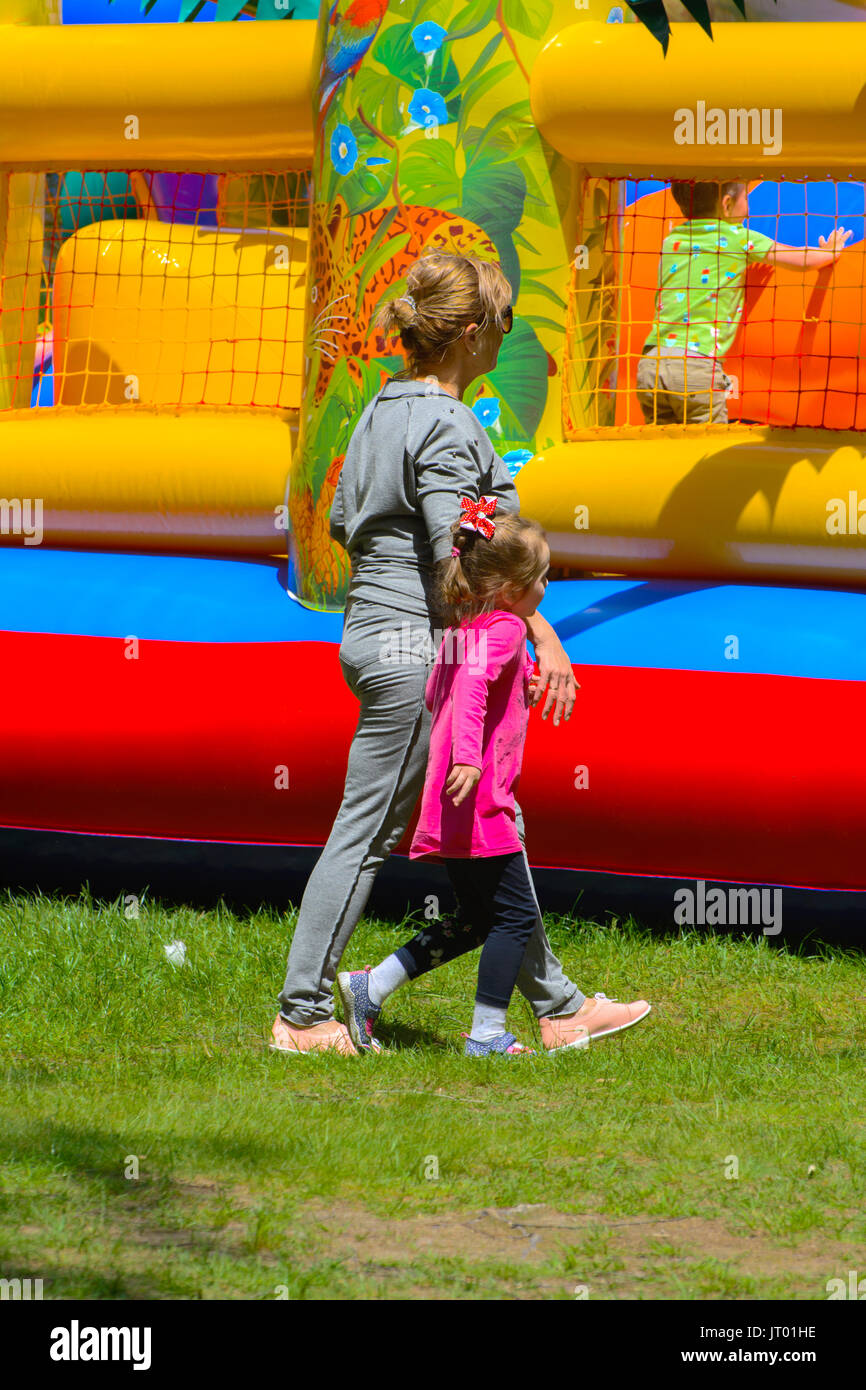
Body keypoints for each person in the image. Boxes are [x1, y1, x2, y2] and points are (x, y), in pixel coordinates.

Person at [271, 249, 649, 1056]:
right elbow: (463, 549)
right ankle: (301, 1014)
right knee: (368, 832)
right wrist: (540, 629)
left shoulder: (379, 411)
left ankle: (559, 1006)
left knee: (484, 826)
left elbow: (344, 522)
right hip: (415, 645)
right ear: (472, 334)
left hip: (373, 630)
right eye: (501, 326)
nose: (504, 340)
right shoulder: (444, 424)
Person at [338, 504, 605, 1056]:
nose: (548, 589)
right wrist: (470, 758)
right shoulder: (506, 628)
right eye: (542, 578)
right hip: (482, 800)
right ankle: (486, 1035)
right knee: (516, 917)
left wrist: (525, 685)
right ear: (509, 586)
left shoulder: (466, 629)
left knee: (480, 918)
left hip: (449, 802)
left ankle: (373, 984)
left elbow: (445, 691)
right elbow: (472, 693)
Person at [636, 179, 852, 424]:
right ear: (726, 205)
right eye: (746, 199)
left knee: (663, 446)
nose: (749, 209)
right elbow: (801, 260)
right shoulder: (737, 237)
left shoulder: (672, 240)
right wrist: (829, 252)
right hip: (694, 366)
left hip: (651, 365)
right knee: (705, 445)